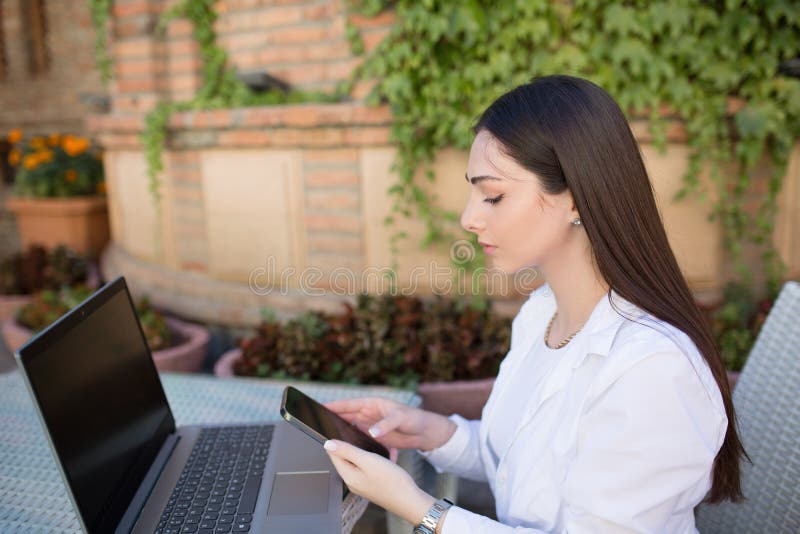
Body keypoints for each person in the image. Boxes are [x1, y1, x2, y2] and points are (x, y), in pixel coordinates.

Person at [322, 75, 746, 533]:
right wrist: (429, 430)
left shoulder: (653, 368)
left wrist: (422, 510)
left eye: (493, 196)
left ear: (576, 199)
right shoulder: (542, 314)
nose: (468, 217)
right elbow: (522, 462)